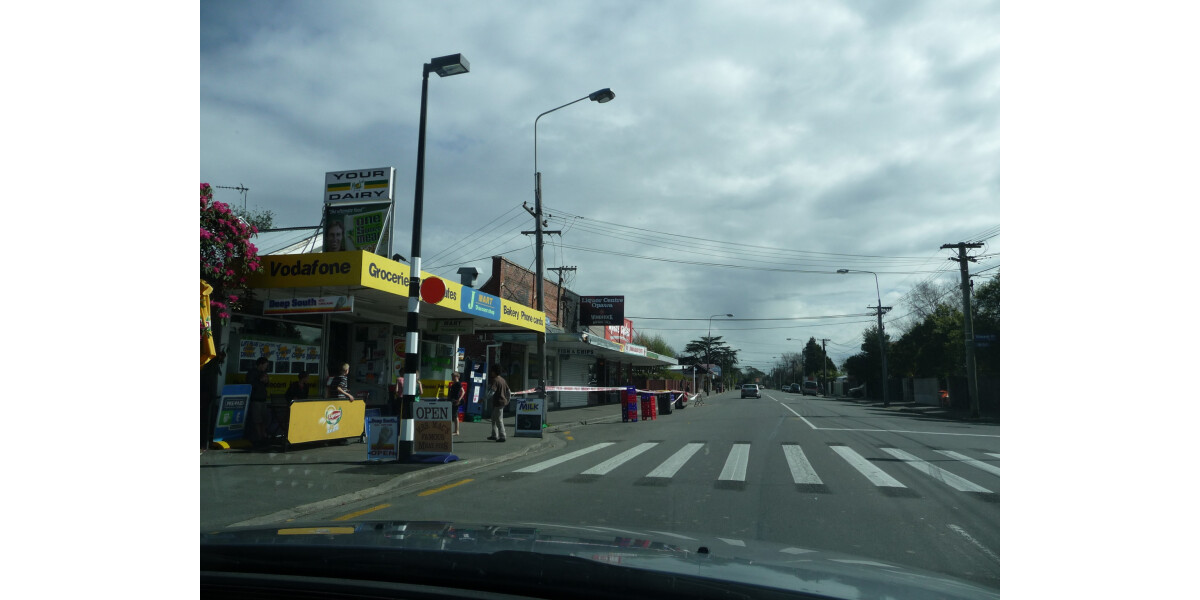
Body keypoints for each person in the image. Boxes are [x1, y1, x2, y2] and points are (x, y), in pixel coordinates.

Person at [248, 357, 271, 444]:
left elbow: (267, 384)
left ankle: (263, 433)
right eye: (265, 365)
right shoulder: (252, 372)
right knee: (257, 419)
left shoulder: (264, 373)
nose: (266, 367)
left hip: (263, 398)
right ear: (260, 364)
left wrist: (266, 381)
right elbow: (250, 384)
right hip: (255, 398)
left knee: (265, 418)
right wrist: (259, 380)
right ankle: (259, 435)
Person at [487, 367, 510, 442]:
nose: (491, 373)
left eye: (492, 371)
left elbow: (492, 391)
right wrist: (508, 400)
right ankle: (494, 435)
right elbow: (508, 391)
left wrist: (484, 398)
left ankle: (502, 436)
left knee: (499, 420)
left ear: (495, 372)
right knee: (493, 418)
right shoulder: (502, 380)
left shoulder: (495, 380)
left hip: (498, 402)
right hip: (502, 402)